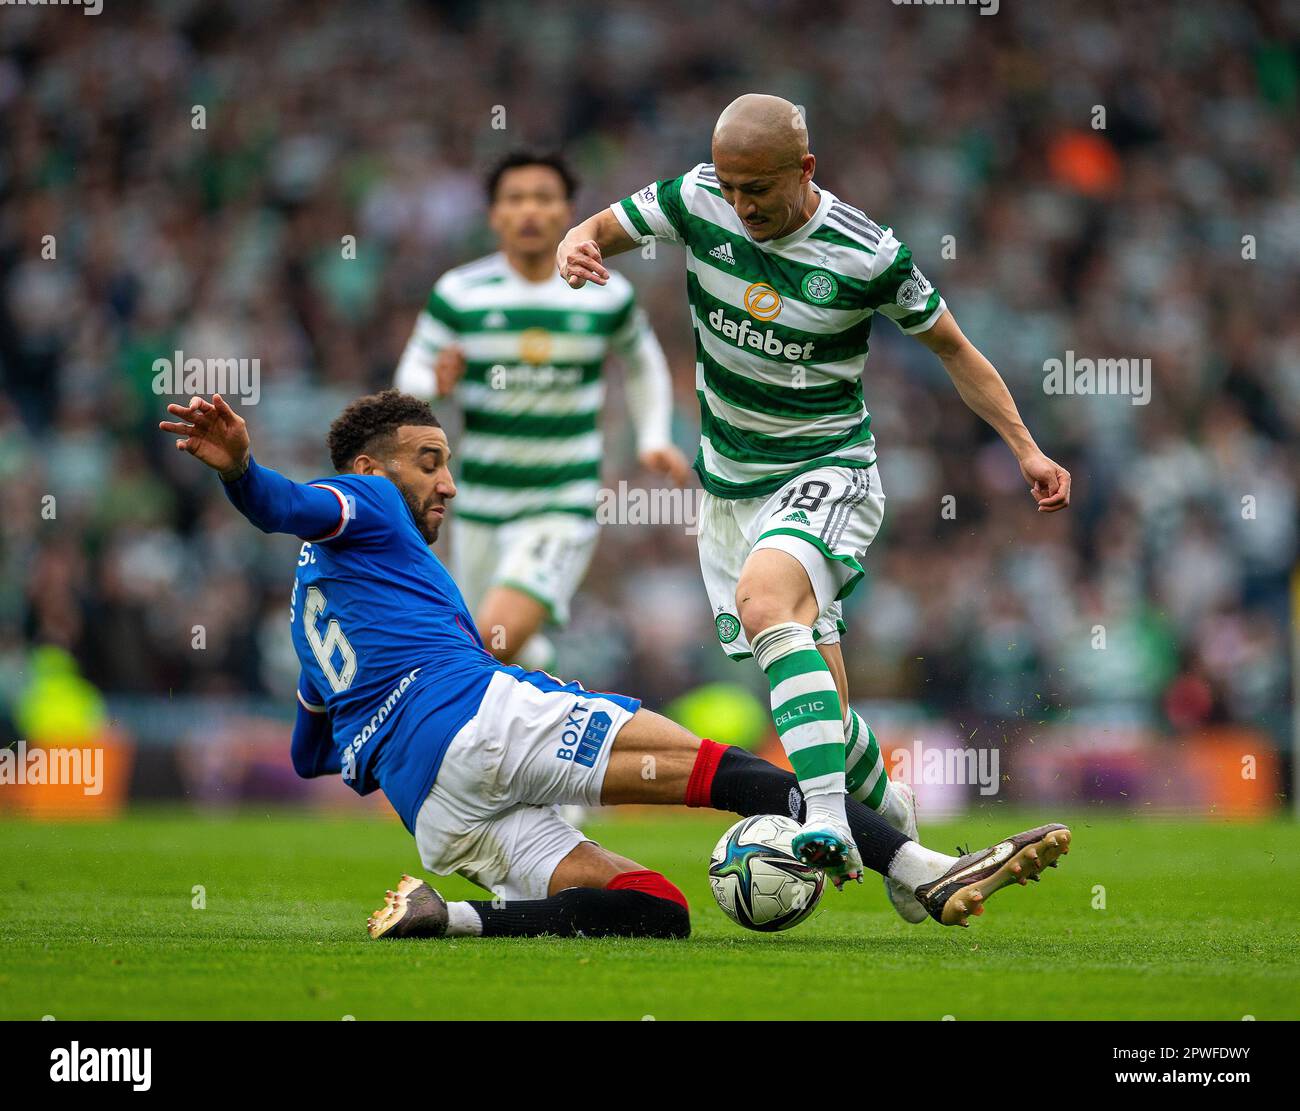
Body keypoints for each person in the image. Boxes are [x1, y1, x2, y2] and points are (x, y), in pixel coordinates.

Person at [158, 389, 1070, 941]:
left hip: (435, 814)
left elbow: (309, 751)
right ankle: (920, 869)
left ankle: (453, 918)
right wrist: (241, 472)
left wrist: (380, 737)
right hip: (481, 724)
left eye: (449, 464)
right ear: (368, 466)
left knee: (652, 906)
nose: (447, 482)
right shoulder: (362, 499)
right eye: (429, 462)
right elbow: (284, 502)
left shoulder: (312, 609)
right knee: (732, 773)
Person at [555, 94, 1072, 916]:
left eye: (757, 188)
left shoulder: (870, 254)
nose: (741, 205)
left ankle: (823, 818)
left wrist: (1025, 447)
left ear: (806, 170)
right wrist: (576, 245)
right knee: (821, 708)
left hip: (828, 471)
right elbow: (598, 227)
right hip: (728, 492)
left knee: (767, 604)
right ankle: (917, 860)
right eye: (729, 187)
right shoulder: (696, 199)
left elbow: (955, 351)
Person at [395, 150, 690, 670]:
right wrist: (434, 385)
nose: (529, 211)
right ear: (494, 215)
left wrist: (652, 437)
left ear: (568, 211)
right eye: (515, 199)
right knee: (498, 652)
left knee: (483, 644)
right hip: (479, 504)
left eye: (543, 198)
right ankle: (542, 692)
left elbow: (642, 362)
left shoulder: (605, 294)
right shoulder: (460, 293)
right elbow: (410, 375)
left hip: (561, 502)